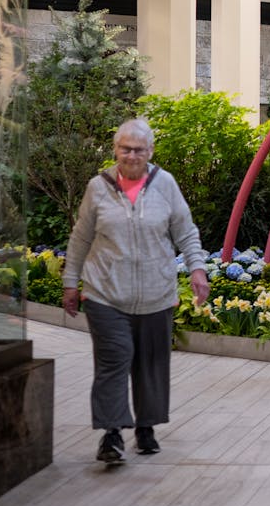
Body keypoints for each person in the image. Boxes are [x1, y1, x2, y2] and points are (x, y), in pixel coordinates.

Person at [62, 117, 209, 464]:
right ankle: (111, 435)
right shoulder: (97, 187)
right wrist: (71, 281)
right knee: (114, 358)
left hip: (156, 292)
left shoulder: (165, 184)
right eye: (125, 149)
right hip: (105, 293)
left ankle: (146, 427)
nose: (131, 156)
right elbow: (81, 237)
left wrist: (197, 269)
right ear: (115, 150)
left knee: (151, 362)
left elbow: (185, 231)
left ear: (150, 151)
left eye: (138, 150)